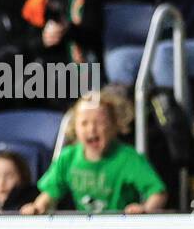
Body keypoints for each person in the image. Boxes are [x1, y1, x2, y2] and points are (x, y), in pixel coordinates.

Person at [22, 90, 167, 214]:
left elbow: (158, 192)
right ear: (75, 128)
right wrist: (37, 207)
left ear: (115, 125)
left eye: (100, 122)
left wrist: (145, 209)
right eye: (84, 123)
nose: (91, 129)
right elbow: (50, 193)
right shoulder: (68, 157)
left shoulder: (128, 158)